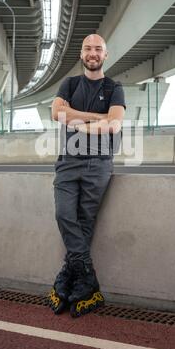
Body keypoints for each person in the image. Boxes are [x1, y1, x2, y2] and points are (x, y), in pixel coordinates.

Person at [49, 34, 126, 317]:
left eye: (98, 49)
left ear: (105, 55)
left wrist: (78, 121)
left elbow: (114, 125)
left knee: (84, 222)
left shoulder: (115, 88)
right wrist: (96, 118)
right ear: (81, 54)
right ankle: (88, 278)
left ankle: (69, 277)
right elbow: (57, 113)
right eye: (87, 49)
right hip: (68, 162)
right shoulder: (69, 83)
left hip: (99, 164)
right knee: (64, 215)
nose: (92, 53)